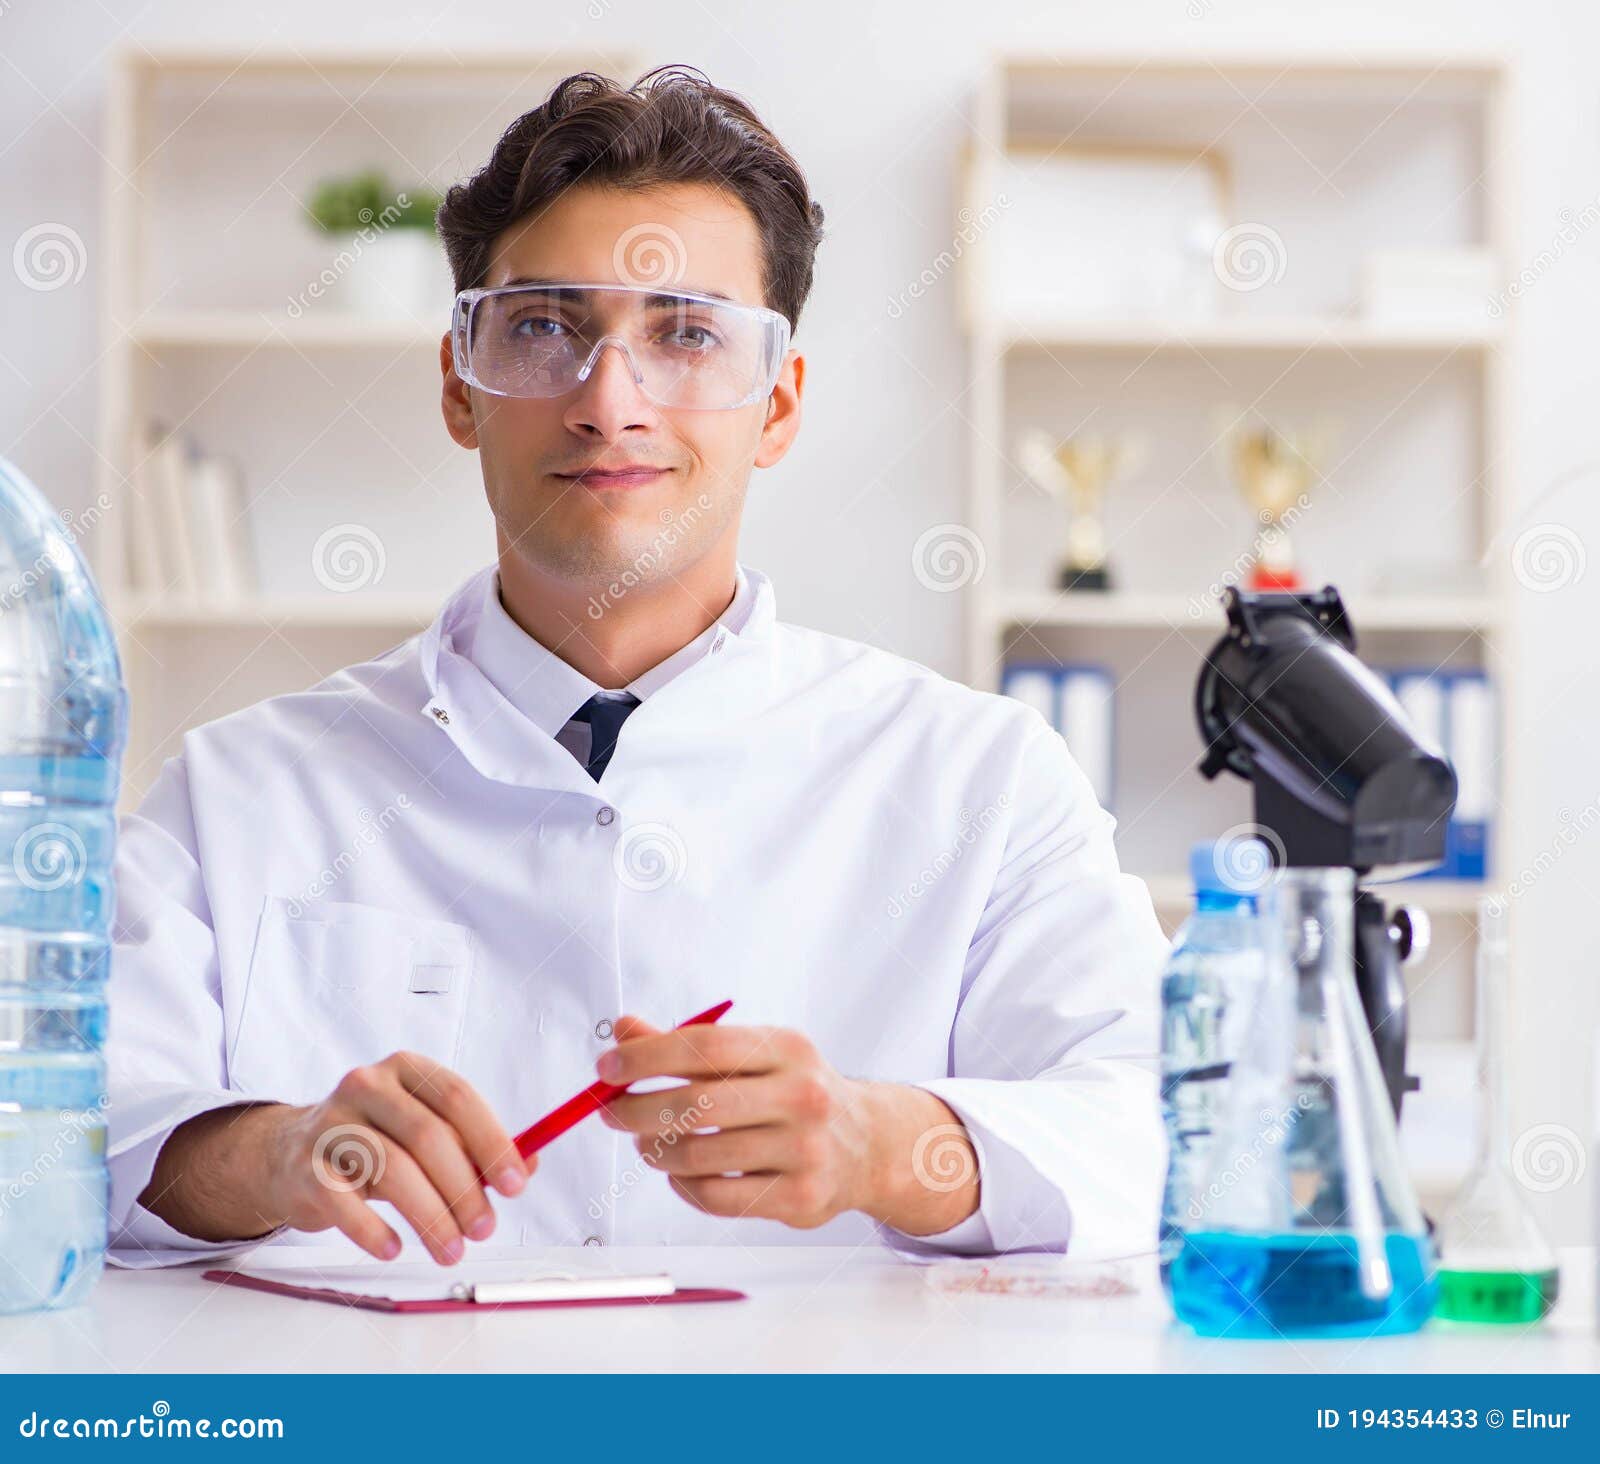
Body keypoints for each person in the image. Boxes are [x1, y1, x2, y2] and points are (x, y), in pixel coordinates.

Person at [108, 66, 1167, 1271]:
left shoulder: (982, 779)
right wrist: (273, 1153)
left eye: (688, 337)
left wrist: (887, 1144)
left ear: (777, 407)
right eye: (546, 329)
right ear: (460, 385)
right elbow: (67, 1140)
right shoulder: (240, 788)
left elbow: (1159, 1132)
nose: (609, 401)